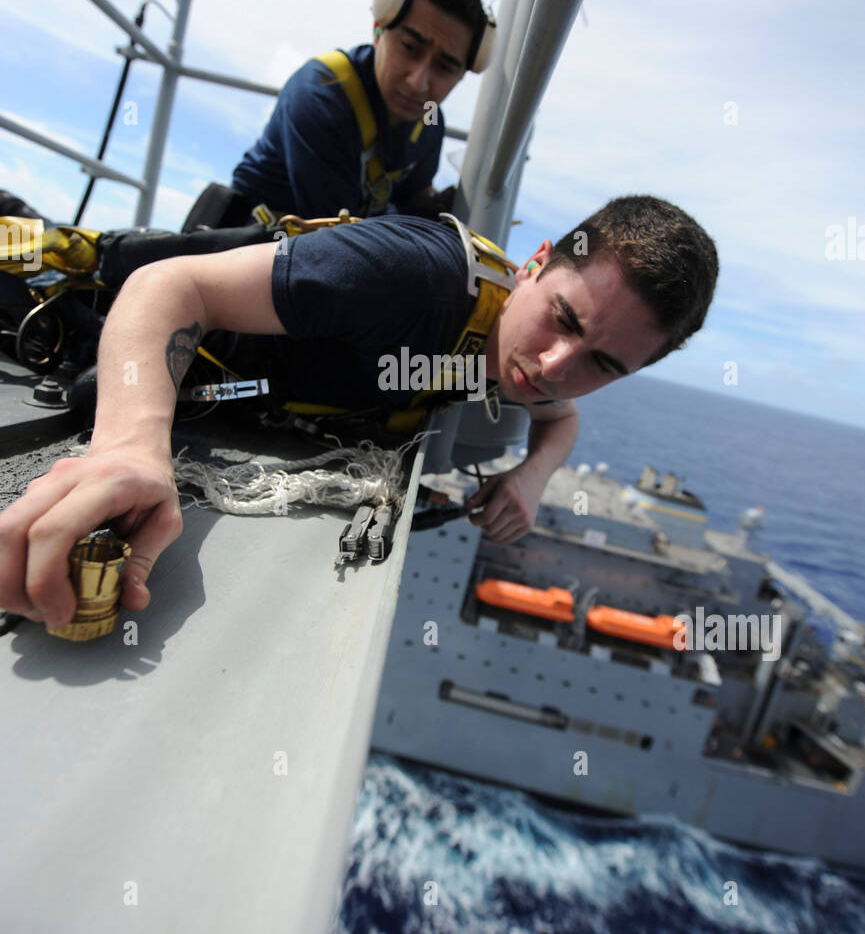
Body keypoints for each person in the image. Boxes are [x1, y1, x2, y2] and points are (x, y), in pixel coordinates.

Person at [0, 195, 719, 631]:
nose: (557, 368)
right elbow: (168, 285)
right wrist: (129, 446)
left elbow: (559, 419)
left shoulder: (524, 356)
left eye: (603, 364)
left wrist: (529, 480)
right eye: (563, 317)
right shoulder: (415, 278)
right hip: (87, 320)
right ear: (532, 265)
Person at [190, 0, 495, 229]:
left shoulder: (429, 121)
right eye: (409, 48)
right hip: (248, 253)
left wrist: (439, 210)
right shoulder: (321, 93)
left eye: (445, 67)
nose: (418, 82)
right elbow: (340, 243)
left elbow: (412, 198)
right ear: (378, 29)